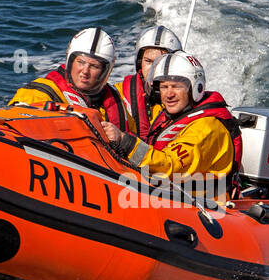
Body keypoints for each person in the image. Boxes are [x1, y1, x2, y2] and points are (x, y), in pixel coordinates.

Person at [100, 52, 242, 197]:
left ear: (195, 87)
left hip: (203, 207)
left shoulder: (207, 129)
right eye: (164, 87)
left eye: (176, 87)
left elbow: (169, 165)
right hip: (170, 197)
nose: (169, 94)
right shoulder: (171, 115)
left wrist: (126, 142)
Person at [9, 27, 134, 132]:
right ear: (70, 61)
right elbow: (11, 125)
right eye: (80, 62)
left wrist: (124, 141)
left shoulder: (118, 105)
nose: (85, 71)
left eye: (94, 66)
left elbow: (142, 153)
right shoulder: (39, 93)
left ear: (104, 71)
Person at [116, 25, 182, 140]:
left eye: (161, 61)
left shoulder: (183, 98)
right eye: (148, 61)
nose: (153, 69)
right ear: (139, 63)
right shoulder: (117, 94)